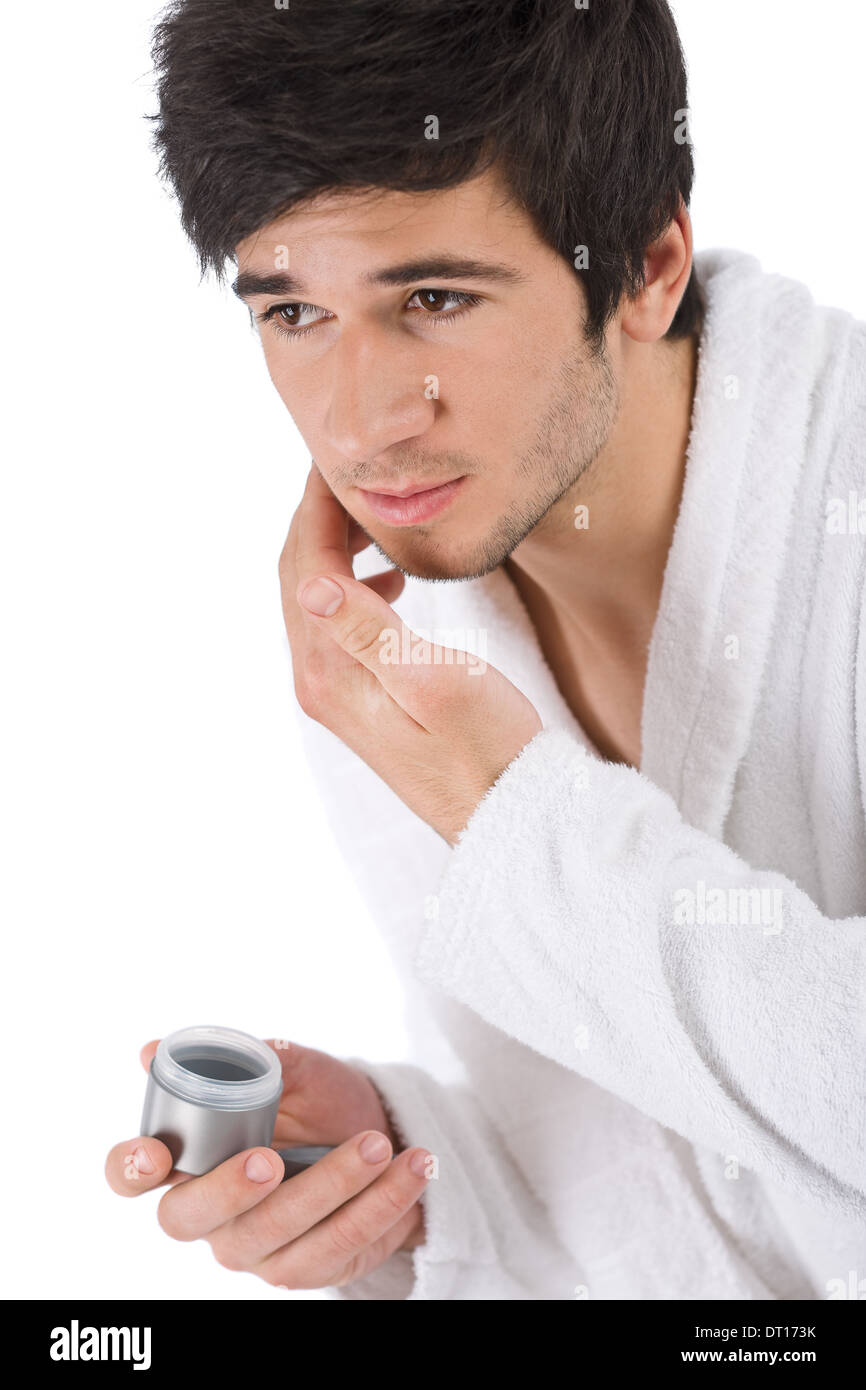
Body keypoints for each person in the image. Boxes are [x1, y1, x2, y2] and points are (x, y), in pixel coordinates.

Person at [105, 0, 866, 1299]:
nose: (360, 423)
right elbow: (701, 1210)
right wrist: (418, 1180)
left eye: (435, 297)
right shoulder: (397, 644)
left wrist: (515, 814)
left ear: (645, 265)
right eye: (292, 313)